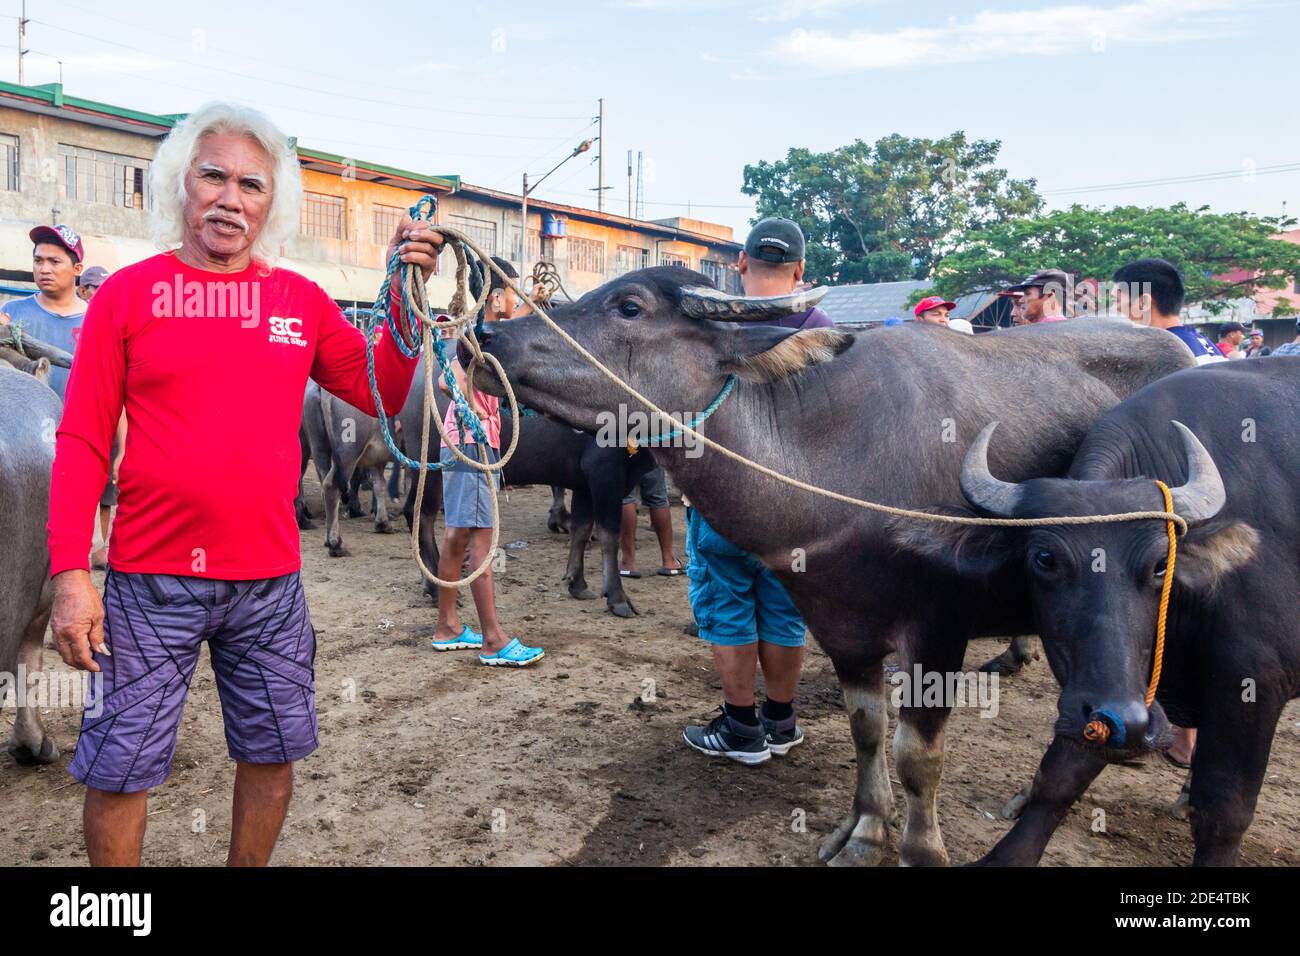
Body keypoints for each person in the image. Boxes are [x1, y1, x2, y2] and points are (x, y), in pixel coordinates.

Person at [46, 102, 436, 866]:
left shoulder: (300, 302)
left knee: (271, 753)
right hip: (148, 583)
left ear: (272, 203)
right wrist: (70, 575)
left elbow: (380, 391)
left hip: (270, 583)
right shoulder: (127, 298)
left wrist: (402, 291)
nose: (231, 198)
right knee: (121, 766)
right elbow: (84, 441)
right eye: (213, 176)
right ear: (180, 187)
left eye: (251, 185)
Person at [682, 218, 831, 765]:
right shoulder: (821, 329)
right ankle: (781, 720)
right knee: (785, 609)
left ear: (740, 263)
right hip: (797, 507)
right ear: (799, 271)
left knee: (728, 606)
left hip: (726, 502)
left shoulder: (707, 326)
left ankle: (741, 731)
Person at [1112, 257, 1227, 767]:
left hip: (1174, 499)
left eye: (1119, 301)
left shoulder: (1163, 358)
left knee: (1161, 615)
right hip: (1212, 498)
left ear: (1143, 301)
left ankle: (1165, 726)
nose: (1116, 312)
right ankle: (1187, 736)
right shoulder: (1209, 350)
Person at [428, 256, 543, 667]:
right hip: (472, 445)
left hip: (464, 446)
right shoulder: (474, 336)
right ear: (496, 297)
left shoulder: (482, 329)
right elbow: (446, 379)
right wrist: (469, 410)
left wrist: (533, 301)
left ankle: (448, 626)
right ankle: (493, 639)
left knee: (458, 534)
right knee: (481, 540)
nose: (517, 299)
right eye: (512, 291)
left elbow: (521, 317)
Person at [0, 225, 88, 401]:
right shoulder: (10, 313)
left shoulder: (97, 319)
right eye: (38, 260)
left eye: (54, 262)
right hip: (24, 421)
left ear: (77, 269)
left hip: (79, 424)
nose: (44, 269)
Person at [1112, 258, 1225, 366]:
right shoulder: (1208, 346)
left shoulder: (1160, 353)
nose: (1114, 309)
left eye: (1117, 300)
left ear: (1143, 303)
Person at [619, 466, 684, 578]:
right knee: (658, 497)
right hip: (651, 450)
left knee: (626, 497)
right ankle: (669, 560)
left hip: (622, 450)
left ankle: (627, 562)